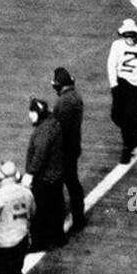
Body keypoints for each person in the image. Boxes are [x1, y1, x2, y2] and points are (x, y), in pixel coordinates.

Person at [107, 18, 137, 164]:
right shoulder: (116, 45)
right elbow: (111, 65)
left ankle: (127, 147)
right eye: (126, 35)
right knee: (116, 116)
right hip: (120, 83)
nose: (129, 38)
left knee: (128, 118)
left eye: (132, 35)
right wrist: (114, 84)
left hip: (135, 86)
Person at [24, 97, 67, 250]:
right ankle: (58, 237)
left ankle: (39, 242)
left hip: (44, 177)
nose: (30, 115)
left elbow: (40, 153)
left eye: (32, 112)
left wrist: (30, 173)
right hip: (55, 175)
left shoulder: (43, 130)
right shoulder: (52, 123)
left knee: (39, 211)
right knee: (56, 207)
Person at [51, 67, 86, 235]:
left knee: (65, 183)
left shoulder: (64, 102)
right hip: (73, 146)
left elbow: (60, 127)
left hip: (64, 149)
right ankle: (78, 216)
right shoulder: (74, 97)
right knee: (72, 182)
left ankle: (73, 218)